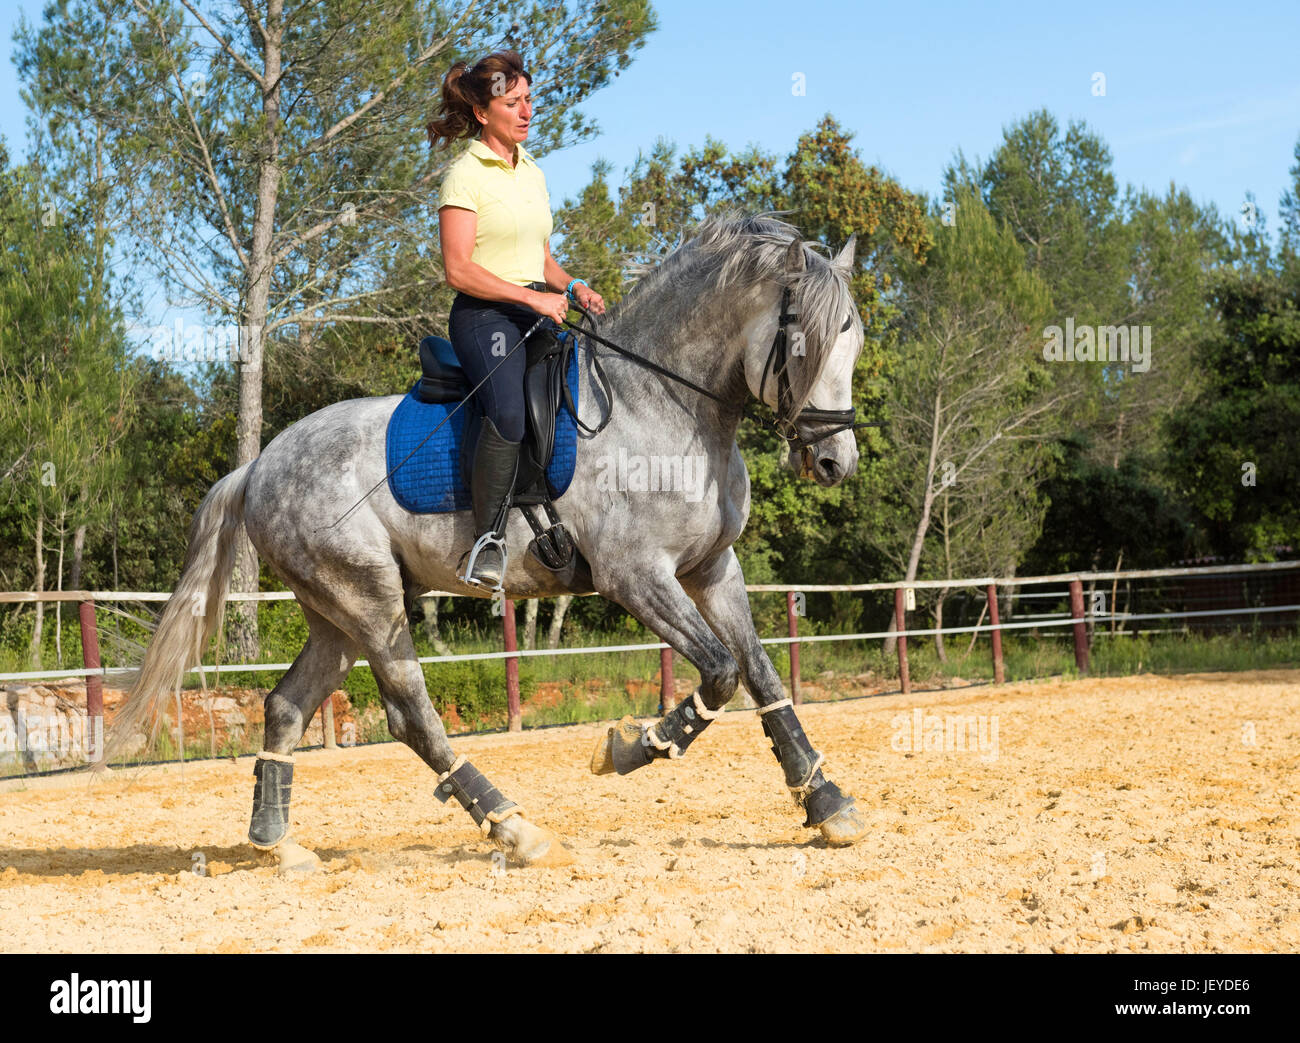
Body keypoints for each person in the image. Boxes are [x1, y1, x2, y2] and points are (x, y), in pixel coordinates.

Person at [428, 50, 605, 591]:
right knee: (508, 412)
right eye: (513, 102)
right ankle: (489, 540)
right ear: (484, 114)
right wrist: (533, 302)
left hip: (537, 307)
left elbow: (540, 259)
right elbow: (458, 269)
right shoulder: (464, 174)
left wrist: (571, 285)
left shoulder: (532, 172)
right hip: (486, 318)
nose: (527, 111)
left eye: (529, 99)